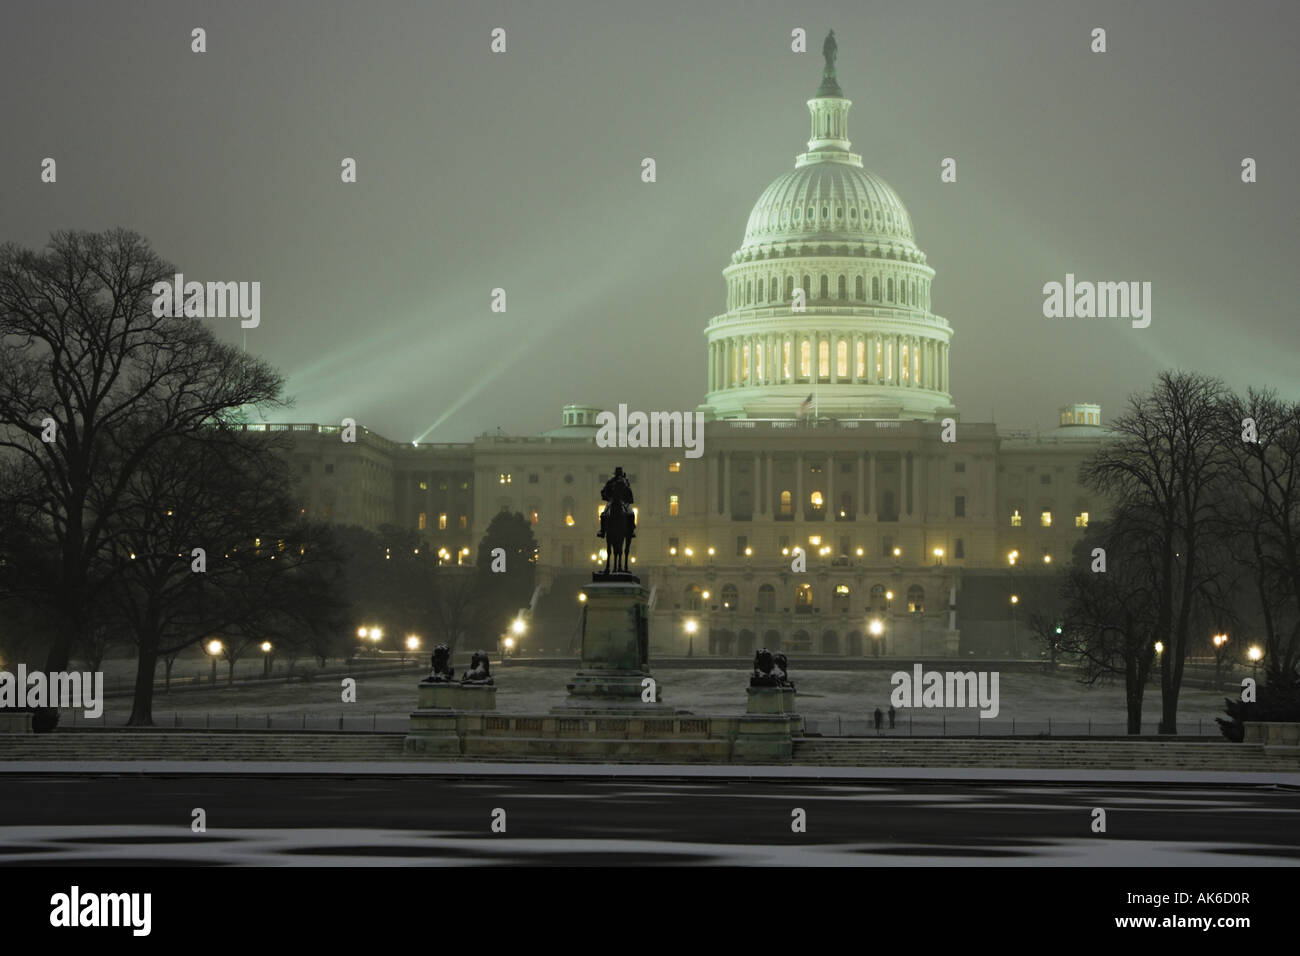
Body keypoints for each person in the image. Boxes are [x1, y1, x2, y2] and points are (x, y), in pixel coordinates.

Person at [597, 466, 635, 539]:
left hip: (623, 502)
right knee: (603, 514)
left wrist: (629, 499)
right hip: (612, 501)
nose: (618, 475)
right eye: (618, 474)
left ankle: (631, 530)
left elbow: (629, 491)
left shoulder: (625, 482)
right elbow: (604, 491)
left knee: (631, 514)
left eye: (619, 474)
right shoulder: (611, 482)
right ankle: (602, 531)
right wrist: (606, 497)